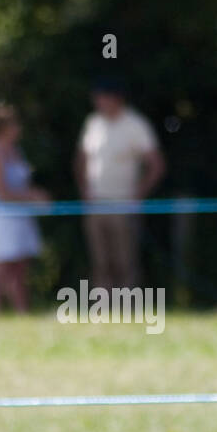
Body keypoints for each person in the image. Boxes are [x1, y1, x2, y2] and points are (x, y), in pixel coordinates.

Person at [74, 77, 165, 289]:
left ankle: (129, 309)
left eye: (103, 98)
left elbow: (156, 164)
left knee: (125, 262)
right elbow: (81, 160)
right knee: (100, 262)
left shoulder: (136, 125)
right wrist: (84, 190)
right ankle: (103, 311)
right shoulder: (93, 123)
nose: (98, 103)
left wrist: (138, 193)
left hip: (124, 206)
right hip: (96, 205)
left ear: (117, 98)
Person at [0, 103, 48, 312]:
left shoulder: (16, 151)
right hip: (1, 218)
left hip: (21, 215)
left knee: (20, 266)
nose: (18, 128)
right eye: (13, 124)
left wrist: (35, 196)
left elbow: (20, 184)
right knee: (1, 266)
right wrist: (32, 197)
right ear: (1, 128)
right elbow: (0, 193)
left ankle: (21, 311)